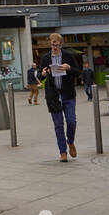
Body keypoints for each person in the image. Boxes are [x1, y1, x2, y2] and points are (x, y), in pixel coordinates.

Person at [40, 33, 82, 162]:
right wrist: (42, 73)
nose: (55, 46)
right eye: (53, 44)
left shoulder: (68, 56)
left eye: (57, 44)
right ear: (50, 44)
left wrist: (69, 68)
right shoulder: (46, 58)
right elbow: (40, 75)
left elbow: (77, 72)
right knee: (58, 125)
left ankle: (71, 141)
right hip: (53, 96)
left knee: (71, 121)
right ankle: (63, 152)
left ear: (61, 44)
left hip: (67, 94)